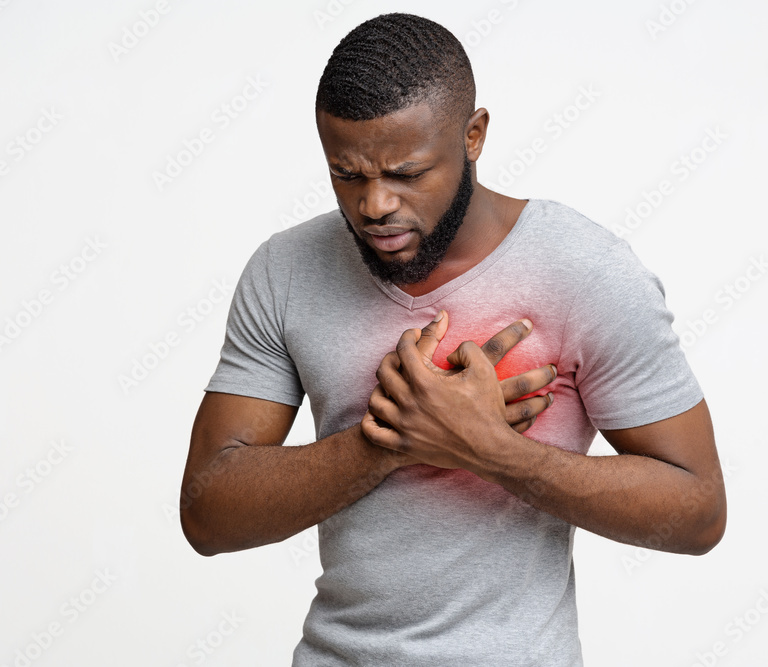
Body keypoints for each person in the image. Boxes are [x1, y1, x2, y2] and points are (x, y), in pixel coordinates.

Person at [180, 12, 726, 666]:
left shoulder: (585, 272)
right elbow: (208, 513)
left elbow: (698, 512)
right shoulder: (287, 268)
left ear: (474, 135)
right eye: (347, 174)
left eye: (406, 173)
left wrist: (495, 452)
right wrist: (384, 444)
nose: (374, 204)